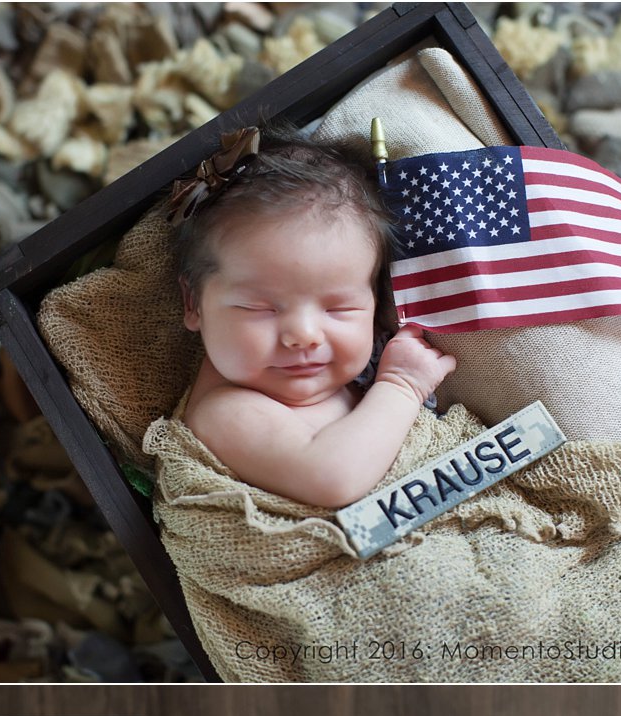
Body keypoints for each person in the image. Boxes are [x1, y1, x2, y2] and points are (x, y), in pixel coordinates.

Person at [169, 128, 458, 509]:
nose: (304, 335)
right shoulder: (225, 411)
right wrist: (403, 385)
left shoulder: (360, 367)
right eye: (260, 308)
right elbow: (332, 478)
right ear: (194, 303)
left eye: (339, 308)